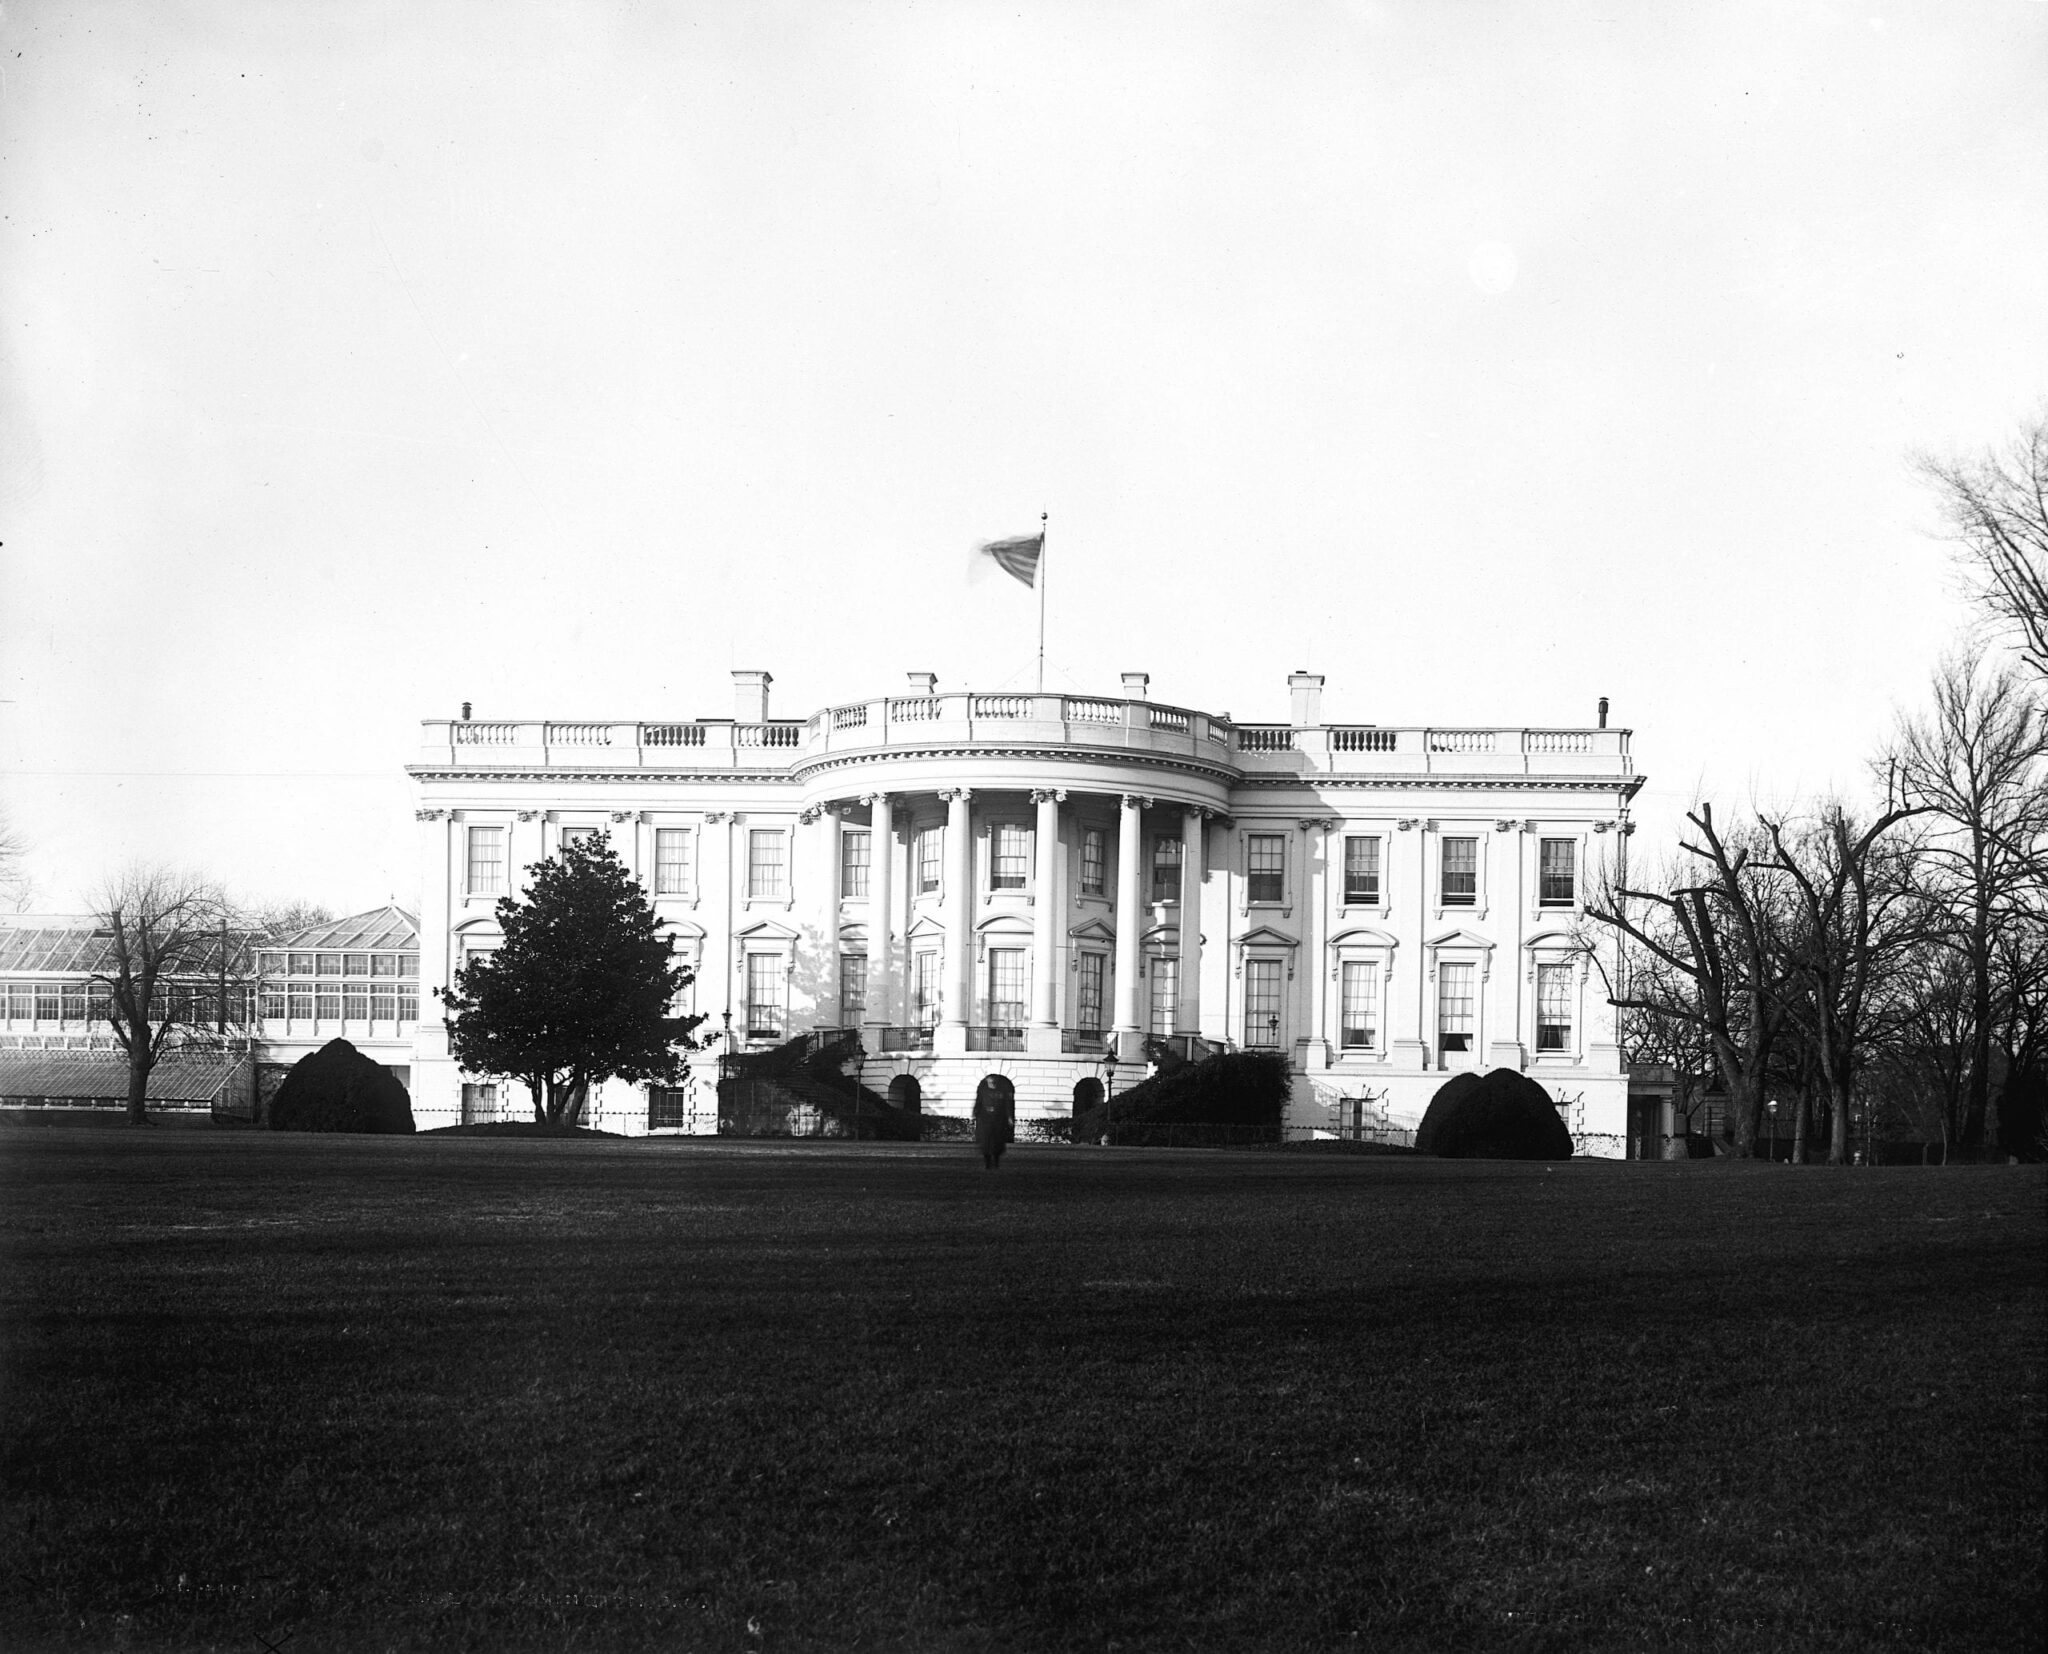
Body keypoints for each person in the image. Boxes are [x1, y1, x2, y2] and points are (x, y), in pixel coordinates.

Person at [972, 1074, 1016, 1172]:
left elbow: (1007, 1105)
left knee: (997, 1142)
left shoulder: (1002, 1092)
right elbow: (978, 1102)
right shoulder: (983, 1091)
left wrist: (1009, 1117)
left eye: (993, 1081)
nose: (991, 1083)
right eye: (990, 1081)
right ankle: (987, 1162)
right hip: (985, 1120)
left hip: (998, 1120)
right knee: (985, 1142)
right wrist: (975, 1113)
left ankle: (996, 1161)